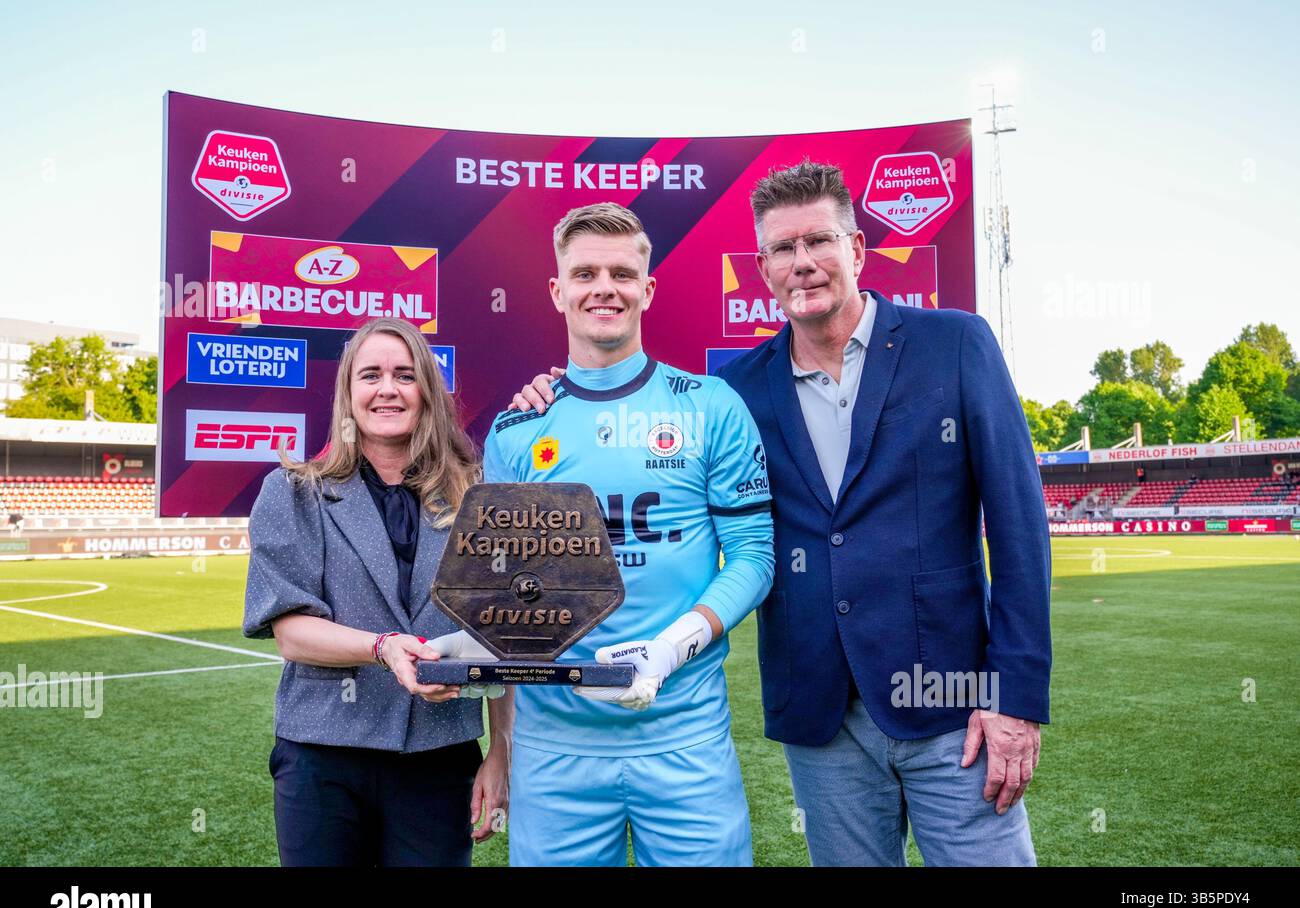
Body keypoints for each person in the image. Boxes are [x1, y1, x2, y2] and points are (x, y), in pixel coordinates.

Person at [512, 162, 1051, 867]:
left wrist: (1014, 696)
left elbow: (1019, 528)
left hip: (954, 703)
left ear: (856, 249)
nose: (803, 263)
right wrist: (556, 393)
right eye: (782, 249)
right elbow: (626, 404)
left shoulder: (955, 343)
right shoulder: (736, 390)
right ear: (763, 268)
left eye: (819, 241)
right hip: (821, 713)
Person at [483, 202, 774, 866]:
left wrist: (670, 648)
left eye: (621, 273)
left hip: (685, 740)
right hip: (554, 753)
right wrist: (475, 661)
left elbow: (755, 556)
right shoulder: (517, 429)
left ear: (648, 288)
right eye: (585, 273)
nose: (604, 288)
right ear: (558, 291)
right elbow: (503, 593)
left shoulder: (710, 406)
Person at [243, 316, 512, 866]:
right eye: (370, 375)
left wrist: (501, 749)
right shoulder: (294, 491)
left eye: (405, 375)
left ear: (427, 392)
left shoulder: (478, 496)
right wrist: (383, 646)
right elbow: (291, 633)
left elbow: (500, 635)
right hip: (323, 758)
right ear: (348, 393)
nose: (387, 389)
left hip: (441, 757)